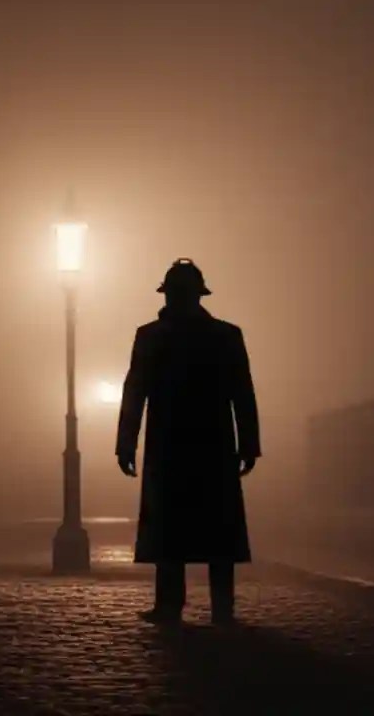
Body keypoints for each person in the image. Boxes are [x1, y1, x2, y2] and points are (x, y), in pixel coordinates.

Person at [115, 258, 260, 625]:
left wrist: (126, 443)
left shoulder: (150, 336)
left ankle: (169, 606)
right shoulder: (226, 335)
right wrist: (249, 443)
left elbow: (135, 391)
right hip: (214, 443)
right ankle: (222, 609)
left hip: (168, 444)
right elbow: (242, 393)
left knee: (169, 528)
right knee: (219, 530)